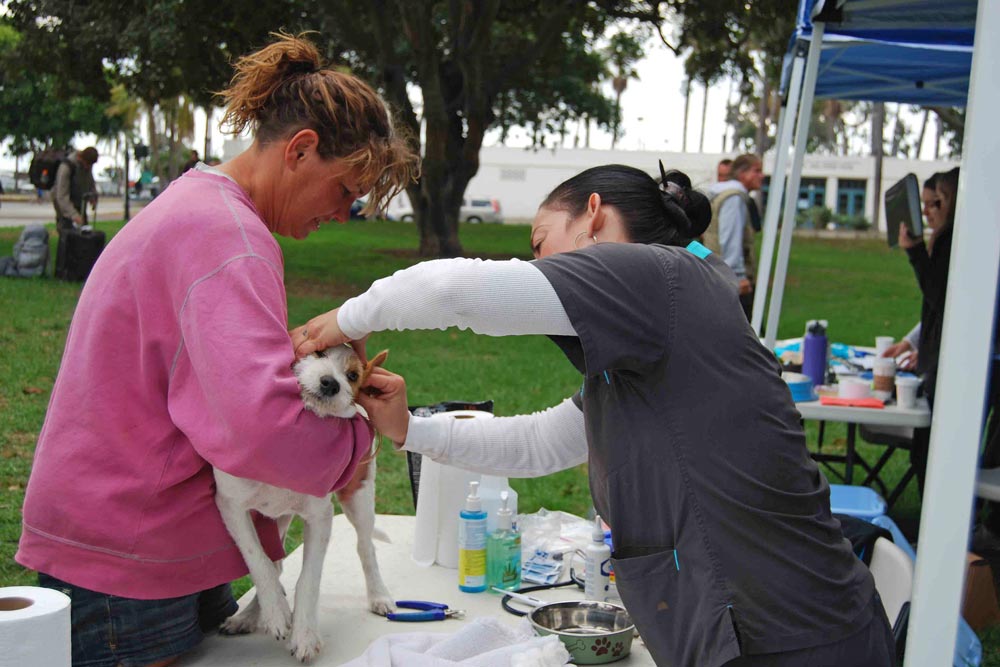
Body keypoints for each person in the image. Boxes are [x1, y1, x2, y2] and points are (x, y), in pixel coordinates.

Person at [295, 163, 895, 667]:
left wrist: (342, 322)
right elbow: (542, 444)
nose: (538, 263)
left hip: (798, 634)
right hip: (765, 628)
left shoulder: (662, 275)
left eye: (541, 242)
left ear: (595, 214)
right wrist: (408, 430)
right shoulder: (649, 332)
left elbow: (459, 289)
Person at [17, 33, 416, 667]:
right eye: (344, 190)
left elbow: (224, 392)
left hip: (147, 536)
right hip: (127, 554)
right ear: (301, 149)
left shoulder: (200, 206)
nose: (344, 214)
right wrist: (365, 438)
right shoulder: (229, 237)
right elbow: (266, 429)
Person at [899, 167, 959, 495]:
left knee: (932, 450)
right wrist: (915, 342)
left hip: (948, 369)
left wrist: (915, 252)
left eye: (936, 203)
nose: (927, 212)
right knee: (925, 448)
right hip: (935, 360)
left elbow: (941, 297)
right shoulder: (946, 240)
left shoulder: (954, 241)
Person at [881, 173, 944, 372]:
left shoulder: (950, 247)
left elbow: (942, 302)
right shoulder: (938, 242)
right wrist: (910, 343)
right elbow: (937, 311)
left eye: (932, 204)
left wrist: (916, 252)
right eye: (922, 205)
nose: (925, 212)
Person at [705, 153, 765, 318]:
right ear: (741, 173)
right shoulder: (733, 198)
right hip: (730, 279)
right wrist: (738, 276)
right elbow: (729, 238)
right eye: (756, 171)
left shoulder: (720, 195)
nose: (762, 175)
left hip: (716, 273)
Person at [52, 146, 98, 230]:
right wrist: (74, 215)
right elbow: (61, 196)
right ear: (81, 158)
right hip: (64, 208)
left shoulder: (87, 165)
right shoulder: (66, 167)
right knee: (68, 234)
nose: (88, 168)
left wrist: (93, 197)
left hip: (80, 203)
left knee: (84, 231)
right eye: (87, 164)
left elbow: (90, 182)